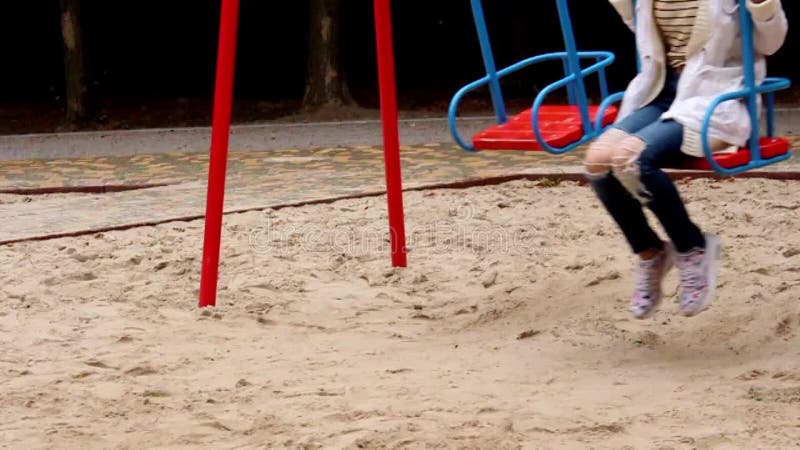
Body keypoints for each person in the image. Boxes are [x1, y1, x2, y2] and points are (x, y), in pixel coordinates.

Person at [584, 0, 788, 319]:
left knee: (631, 157)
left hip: (713, 97)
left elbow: (771, 43)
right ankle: (650, 252)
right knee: (597, 161)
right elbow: (642, 32)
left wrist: (763, 7)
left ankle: (693, 247)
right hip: (660, 93)